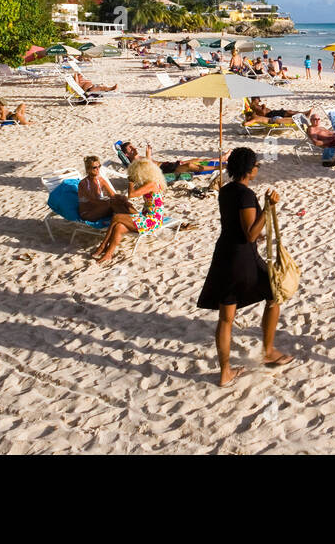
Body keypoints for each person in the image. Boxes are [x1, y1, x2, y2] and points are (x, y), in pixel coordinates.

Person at [196, 147, 293, 385]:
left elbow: (237, 225)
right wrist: (268, 207)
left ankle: (225, 372)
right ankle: (268, 351)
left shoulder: (225, 191)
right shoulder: (246, 195)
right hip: (242, 257)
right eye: (256, 165)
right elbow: (250, 234)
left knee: (226, 317)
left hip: (224, 255)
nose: (258, 168)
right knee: (273, 296)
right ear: (249, 169)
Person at [91, 158, 167, 263]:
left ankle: (102, 246)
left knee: (117, 217)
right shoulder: (150, 182)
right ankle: (108, 254)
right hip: (146, 217)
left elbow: (131, 194)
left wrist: (131, 181)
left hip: (152, 221)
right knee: (119, 226)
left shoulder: (152, 184)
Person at [120, 140, 219, 176]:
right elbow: (150, 170)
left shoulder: (140, 157)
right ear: (127, 154)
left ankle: (221, 159)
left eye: (133, 146)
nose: (134, 148)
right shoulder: (134, 164)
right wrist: (148, 155)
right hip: (164, 171)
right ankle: (218, 168)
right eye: (130, 148)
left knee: (196, 160)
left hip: (167, 165)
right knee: (189, 165)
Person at [78, 155, 128, 221]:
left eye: (99, 166)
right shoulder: (83, 183)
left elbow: (113, 195)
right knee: (114, 205)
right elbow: (92, 201)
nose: (98, 169)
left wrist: (121, 198)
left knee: (125, 203)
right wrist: (109, 202)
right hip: (88, 212)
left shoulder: (101, 180)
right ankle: (139, 224)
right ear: (88, 169)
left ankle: (140, 223)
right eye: (94, 167)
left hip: (101, 207)